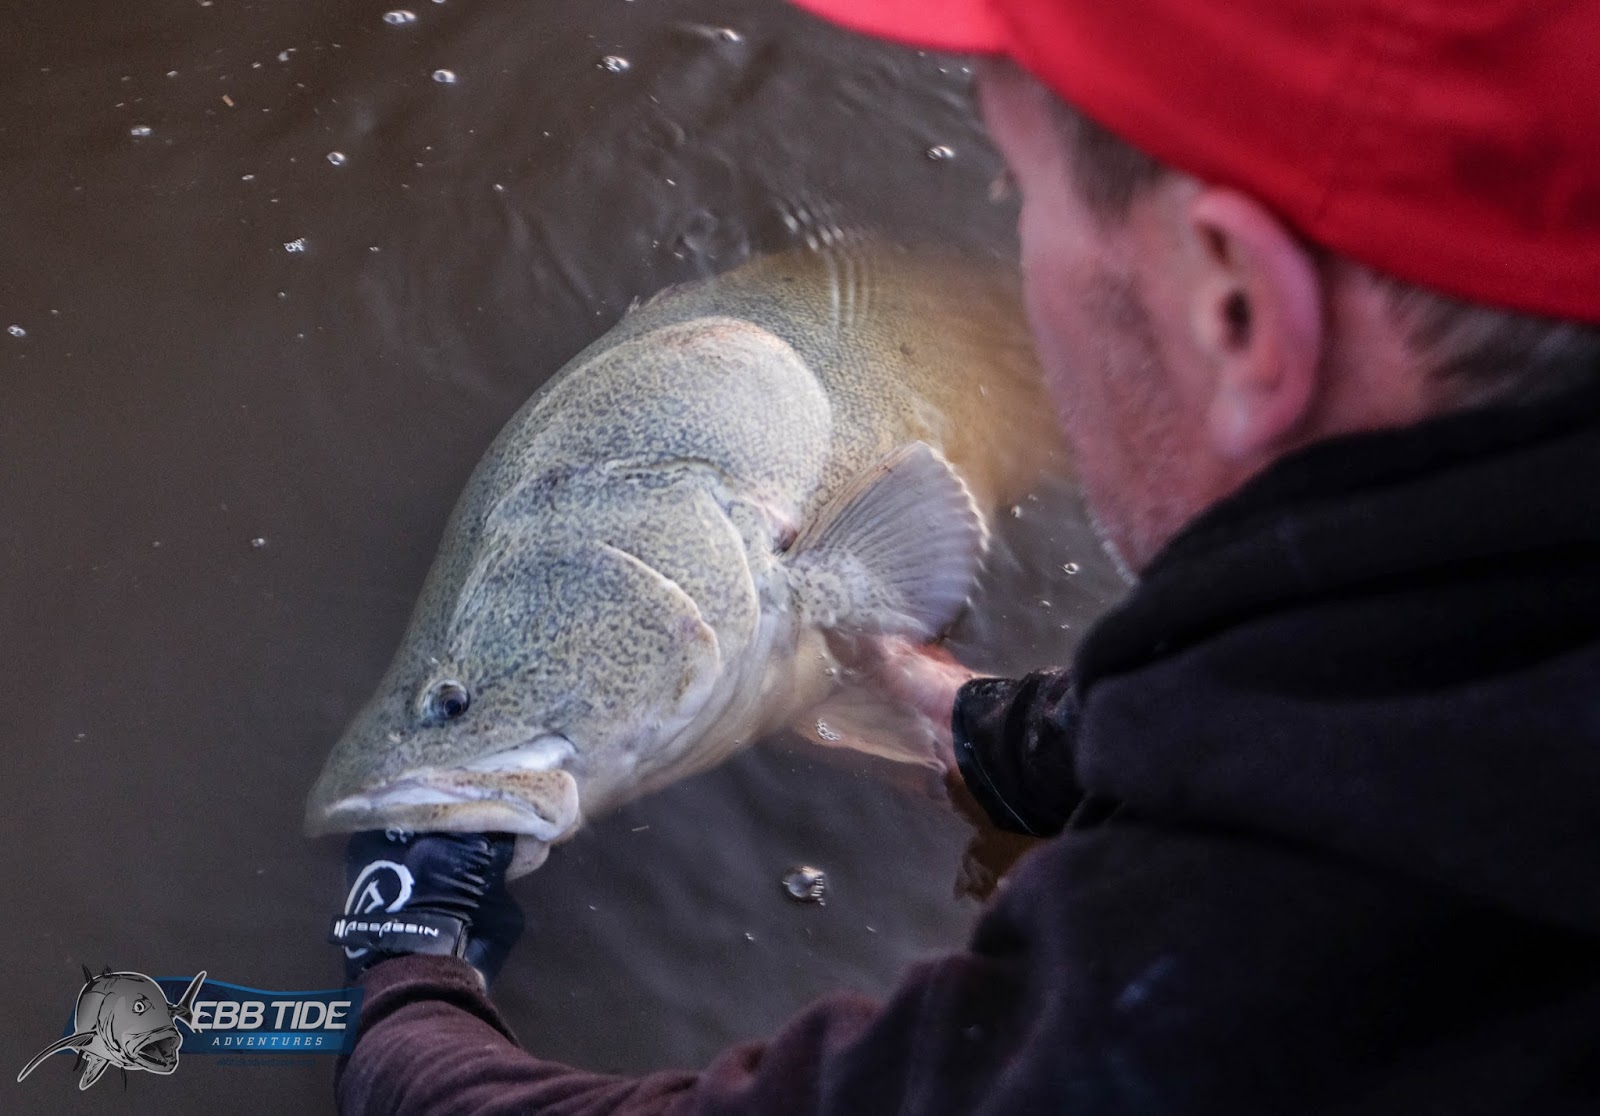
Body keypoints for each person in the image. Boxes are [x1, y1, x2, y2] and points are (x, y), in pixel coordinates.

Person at [327, 0, 1600, 1111]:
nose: (1003, 247)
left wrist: (406, 986)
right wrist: (1000, 731)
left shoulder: (1246, 979)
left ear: (1235, 309)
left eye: (1021, 194)